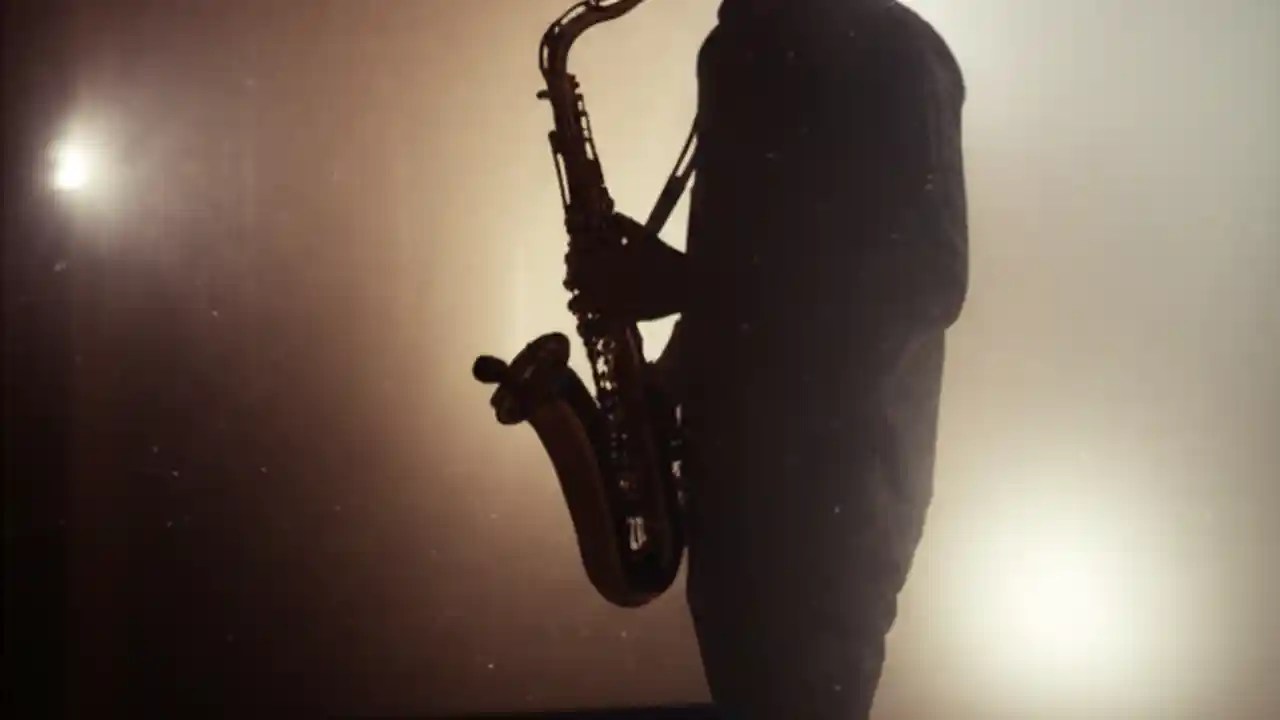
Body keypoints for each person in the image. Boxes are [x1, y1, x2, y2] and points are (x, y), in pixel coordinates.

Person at [568, 0, 967, 716]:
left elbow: (925, 280)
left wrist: (681, 282)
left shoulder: (892, 51)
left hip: (830, 501)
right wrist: (660, 382)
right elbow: (742, 261)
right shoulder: (736, 50)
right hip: (738, 488)